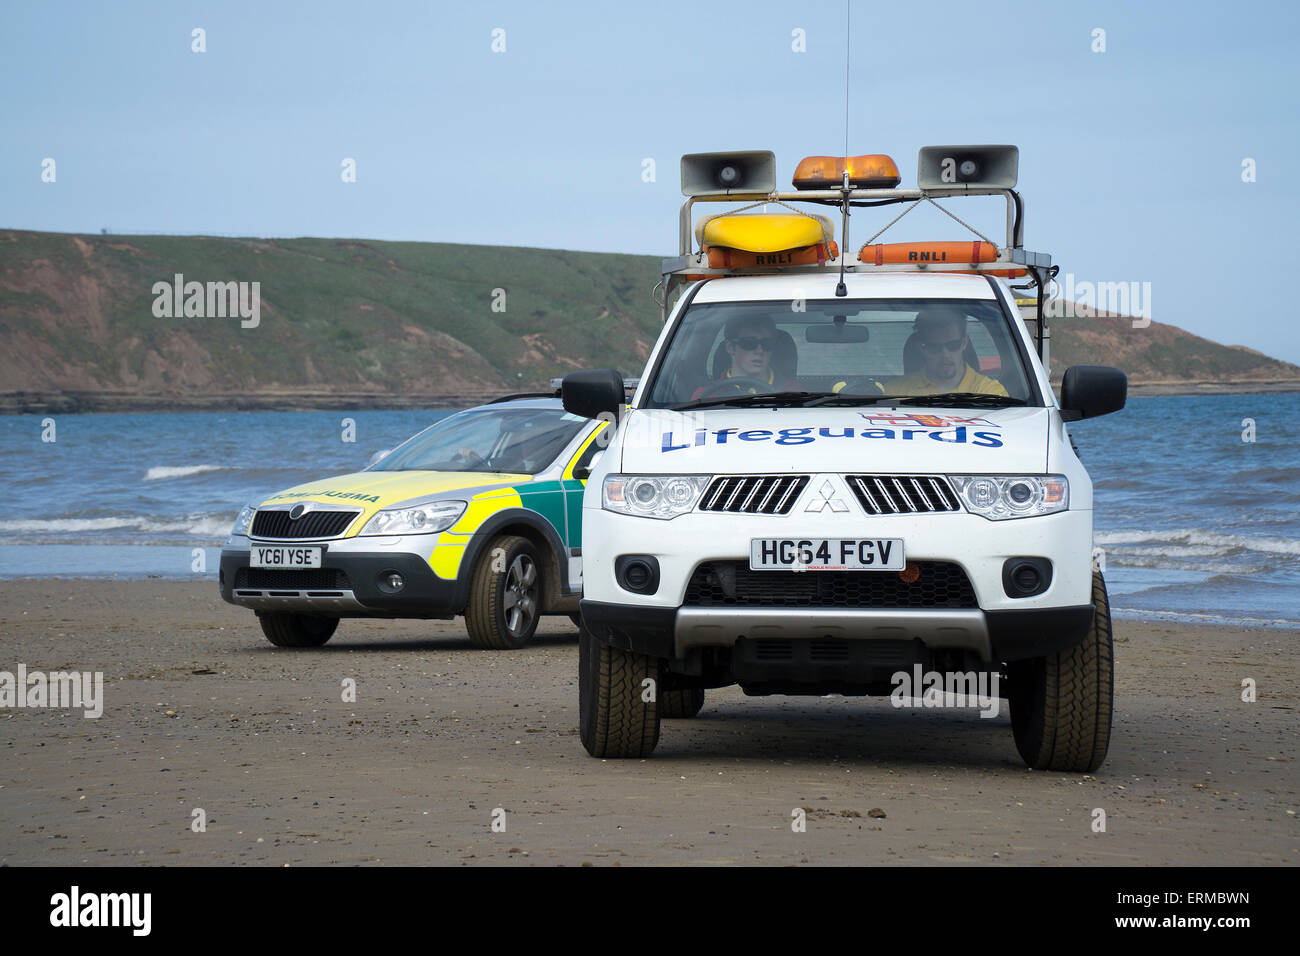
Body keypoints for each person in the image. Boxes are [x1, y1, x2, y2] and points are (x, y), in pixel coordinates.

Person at [886, 308, 1008, 396]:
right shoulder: (894, 392)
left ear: (964, 343)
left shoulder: (991, 393)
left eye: (953, 345)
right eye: (934, 347)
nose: (945, 354)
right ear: (921, 348)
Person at [691, 314, 803, 399]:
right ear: (730, 347)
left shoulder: (795, 394)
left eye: (767, 344)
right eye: (749, 343)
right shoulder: (705, 396)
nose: (759, 351)